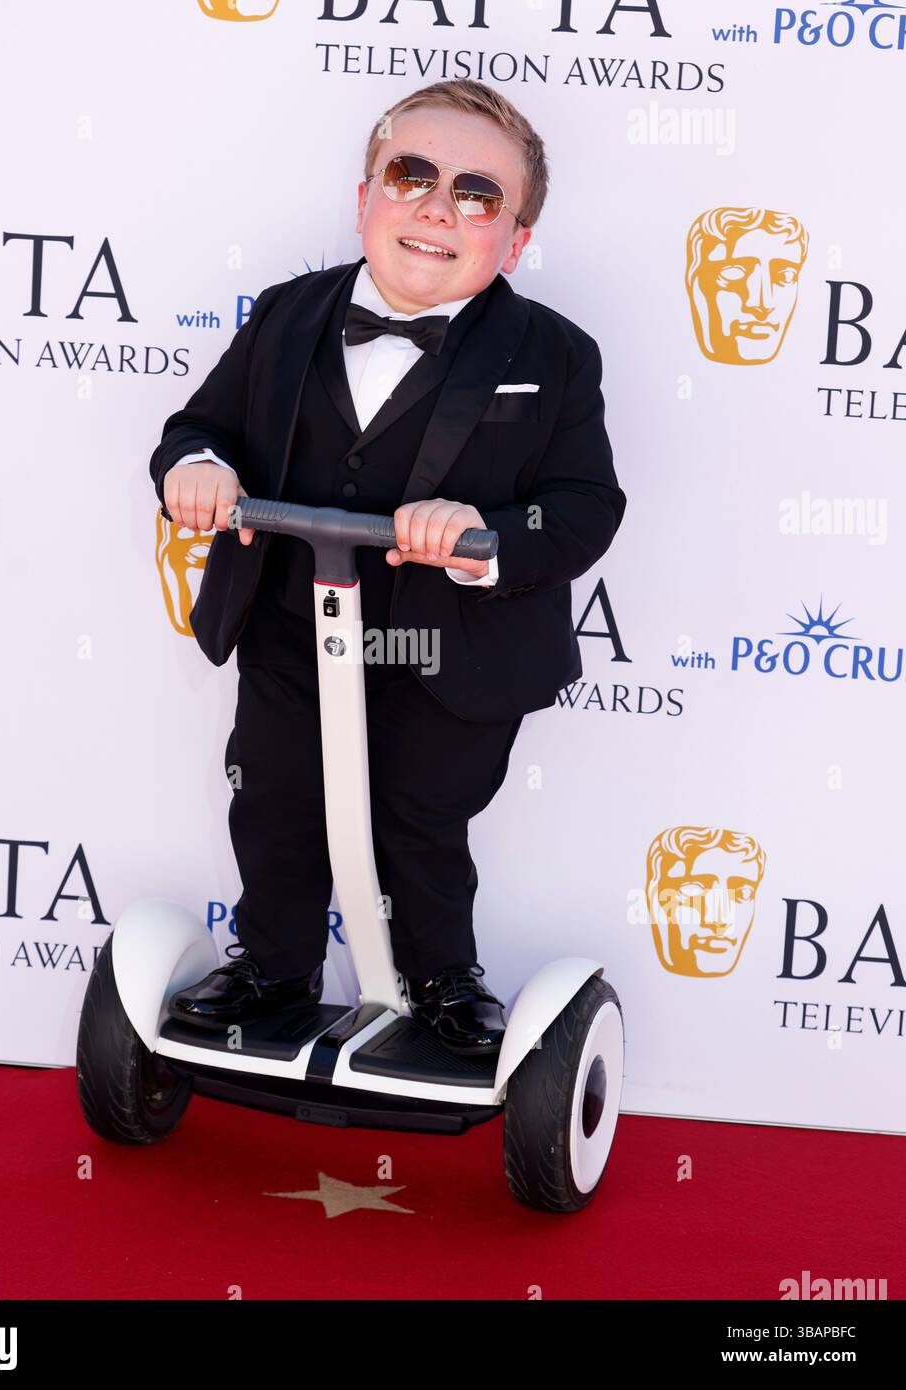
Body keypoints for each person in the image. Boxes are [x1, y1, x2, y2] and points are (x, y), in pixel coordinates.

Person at [149, 78, 626, 1054]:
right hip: (291, 622)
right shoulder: (288, 315)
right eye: (410, 174)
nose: (436, 206)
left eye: (477, 195)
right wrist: (198, 470)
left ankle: (440, 980)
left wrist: (482, 532)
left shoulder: (554, 355)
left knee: (418, 816)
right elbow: (200, 428)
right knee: (276, 799)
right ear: (363, 194)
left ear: (516, 239)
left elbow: (584, 508)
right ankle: (274, 969)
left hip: (449, 649)